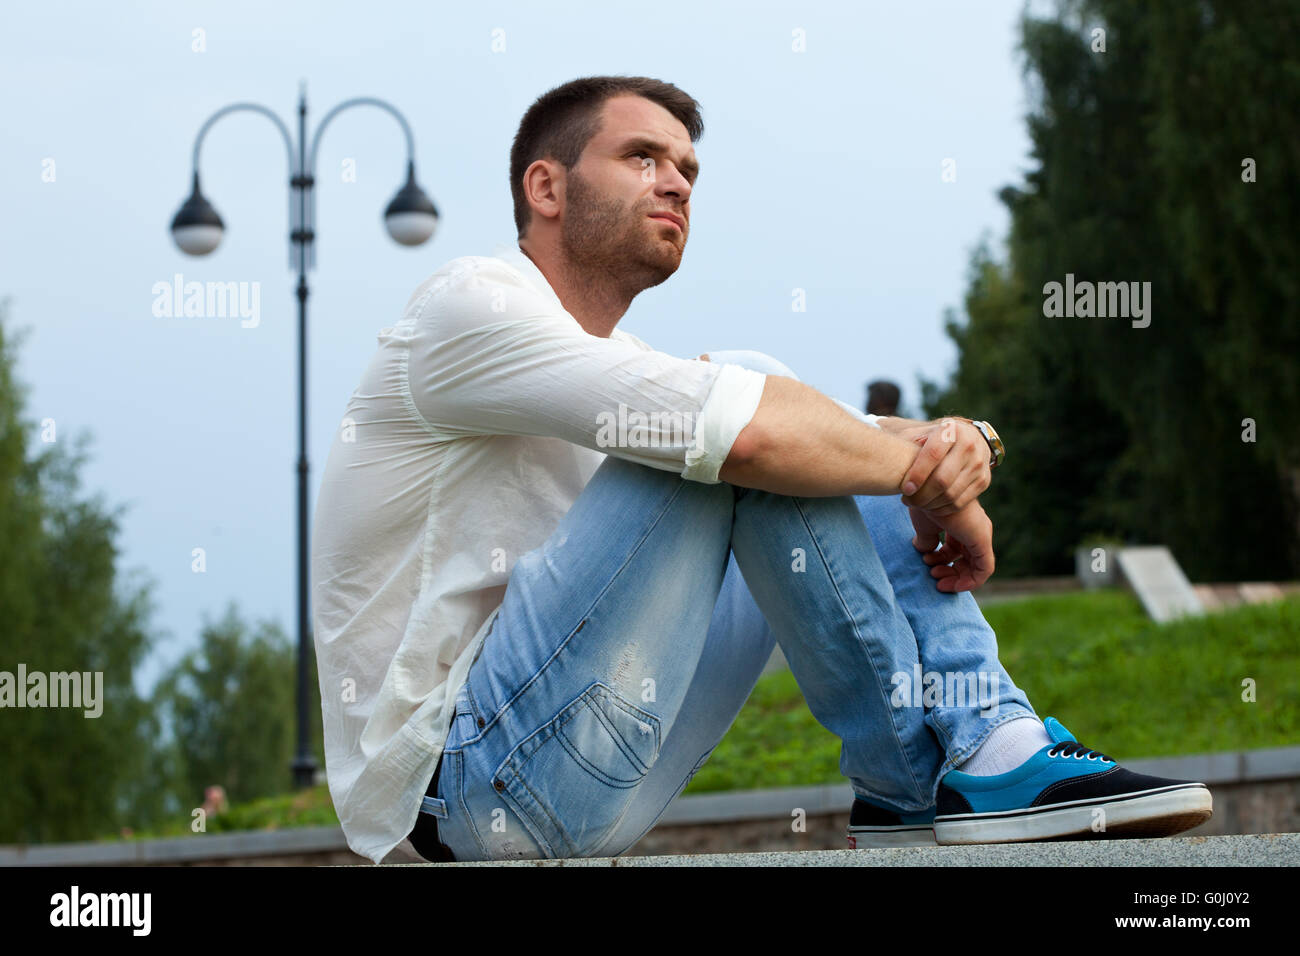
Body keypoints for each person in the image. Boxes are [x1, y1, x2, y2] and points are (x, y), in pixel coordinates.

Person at [310, 75, 1212, 864]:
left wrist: (962, 443)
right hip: (466, 787)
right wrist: (926, 475)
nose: (675, 182)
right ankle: (946, 769)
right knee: (745, 405)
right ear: (545, 185)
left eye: (688, 170)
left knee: (771, 420)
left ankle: (971, 754)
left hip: (596, 766)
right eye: (641, 157)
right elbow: (748, 432)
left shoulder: (617, 362)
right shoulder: (469, 310)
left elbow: (797, 433)